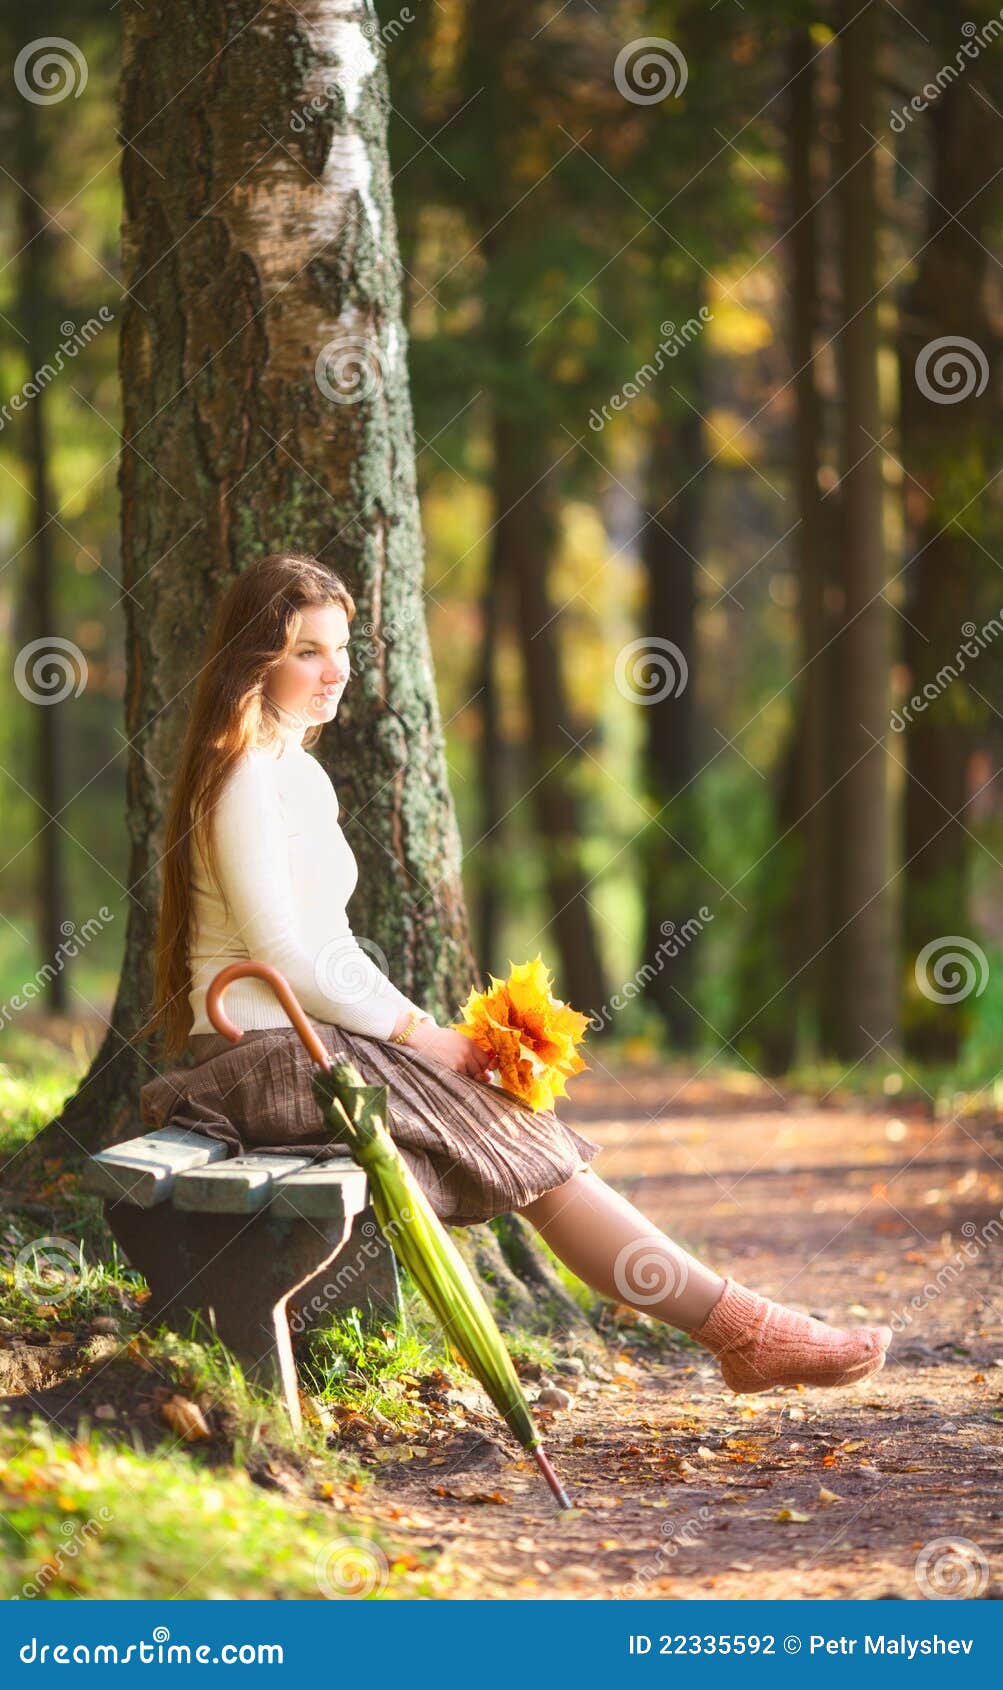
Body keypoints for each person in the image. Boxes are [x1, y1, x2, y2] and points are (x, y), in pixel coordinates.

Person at [141, 552, 892, 1395]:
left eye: (341, 648)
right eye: (307, 651)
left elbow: (330, 945)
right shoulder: (243, 775)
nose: (335, 670)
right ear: (255, 660)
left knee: (523, 1136)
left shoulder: (294, 773)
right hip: (261, 1059)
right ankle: (744, 1331)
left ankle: (744, 1329)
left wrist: (423, 1033)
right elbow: (282, 955)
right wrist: (418, 1035)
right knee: (522, 1142)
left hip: (305, 1046)